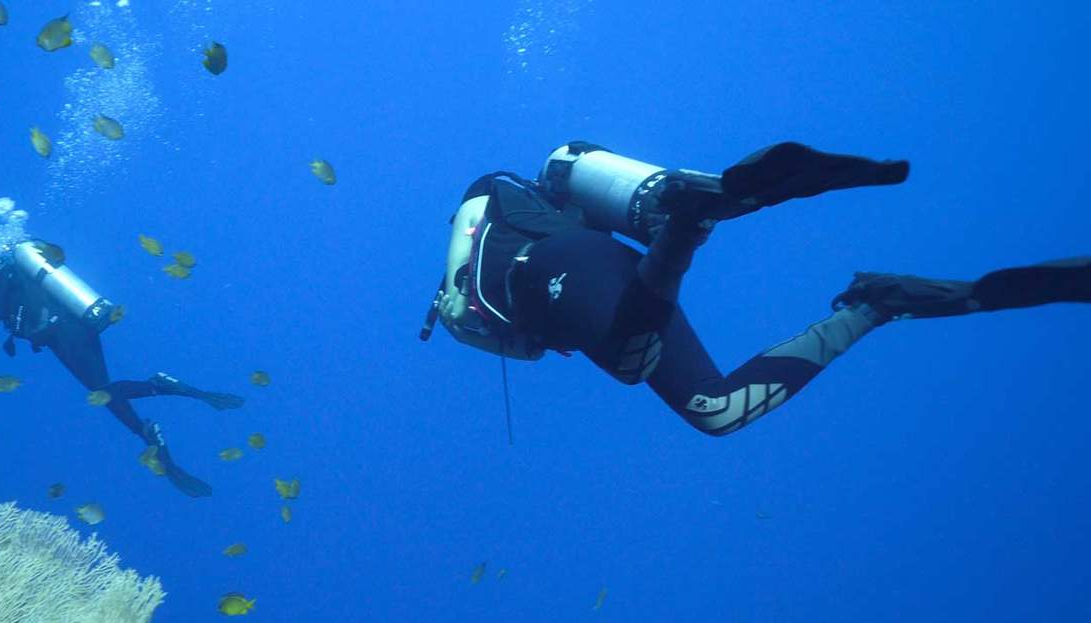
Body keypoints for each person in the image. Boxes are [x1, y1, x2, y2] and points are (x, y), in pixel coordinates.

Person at [425, 141, 1090, 436]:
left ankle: (688, 219)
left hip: (561, 277)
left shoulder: (482, 275)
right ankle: (877, 303)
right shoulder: (517, 203)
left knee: (633, 365)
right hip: (613, 267)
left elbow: (510, 333)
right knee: (713, 410)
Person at [0, 240, 241, 496]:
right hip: (78, 327)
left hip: (62, 336)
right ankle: (153, 419)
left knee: (102, 391)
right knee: (104, 390)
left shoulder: (0, 288)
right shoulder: (18, 283)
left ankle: (156, 402)